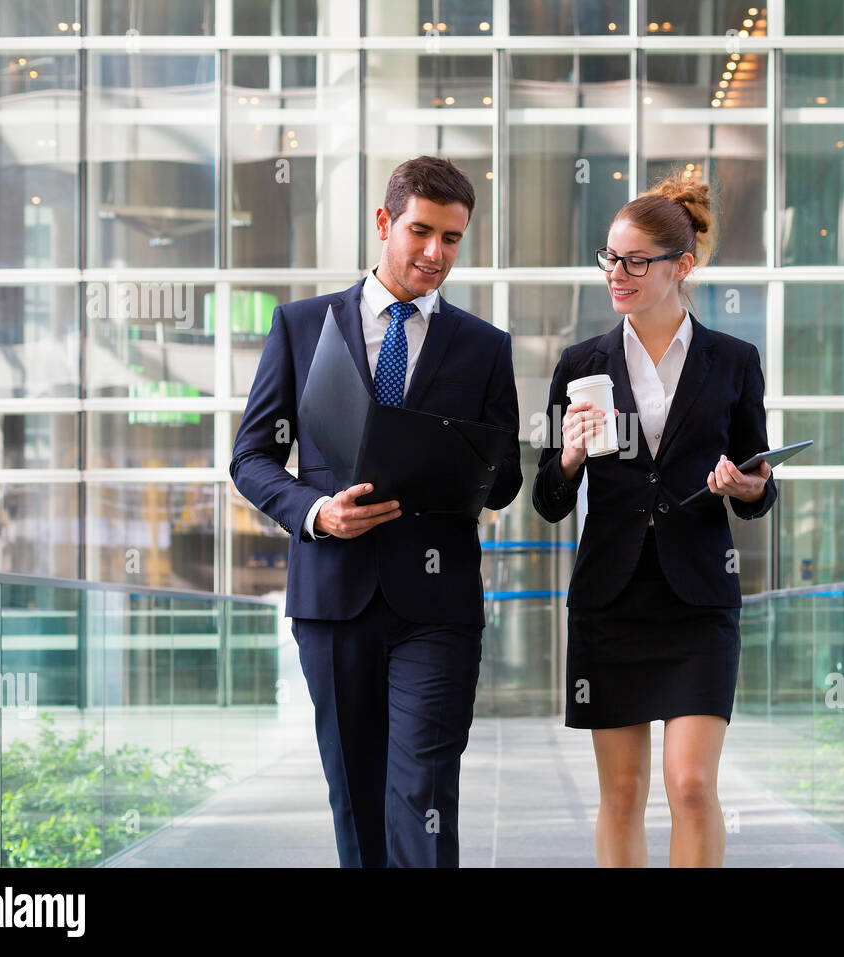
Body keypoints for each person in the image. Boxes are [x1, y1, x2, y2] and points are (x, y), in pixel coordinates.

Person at [230, 156, 522, 868]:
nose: (435, 253)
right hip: (333, 596)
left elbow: (507, 480)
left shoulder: (484, 348)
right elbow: (252, 459)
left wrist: (469, 465)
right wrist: (317, 510)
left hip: (437, 604)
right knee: (356, 794)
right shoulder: (301, 326)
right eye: (422, 232)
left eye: (452, 239)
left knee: (423, 787)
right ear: (386, 222)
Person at [532, 176, 777, 867]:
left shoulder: (732, 361)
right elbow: (548, 499)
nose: (618, 273)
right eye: (610, 257)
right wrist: (572, 454)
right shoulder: (581, 364)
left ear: (681, 266)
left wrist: (748, 484)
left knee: (692, 785)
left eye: (636, 260)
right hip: (610, 597)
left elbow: (759, 485)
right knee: (622, 791)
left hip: (698, 598)